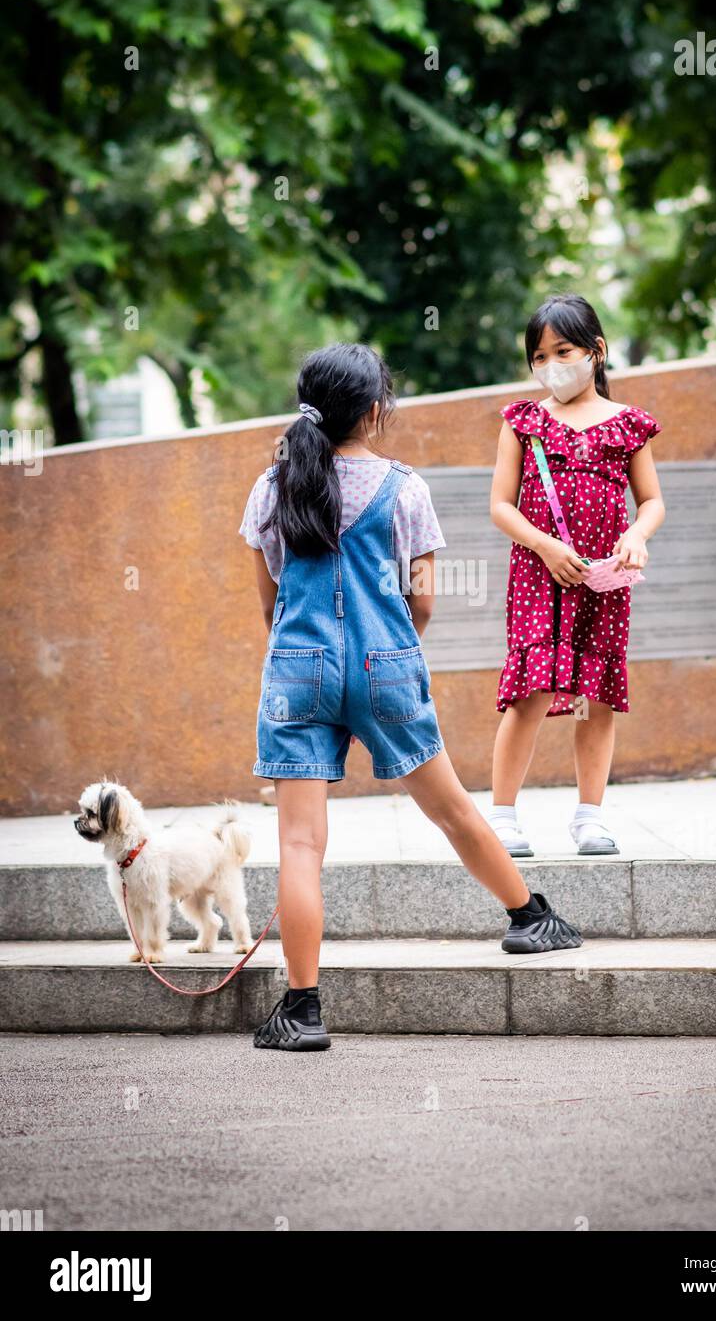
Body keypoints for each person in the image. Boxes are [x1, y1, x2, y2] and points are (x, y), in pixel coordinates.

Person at [239, 342, 583, 1051]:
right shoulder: (405, 488)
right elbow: (420, 603)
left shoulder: (272, 487)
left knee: (300, 843)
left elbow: (269, 601)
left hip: (297, 668)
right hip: (386, 663)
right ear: (373, 412)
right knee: (454, 808)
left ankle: (301, 1010)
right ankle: (529, 919)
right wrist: (390, 643)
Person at [488, 295, 665, 859]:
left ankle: (590, 817)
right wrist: (544, 546)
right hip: (540, 576)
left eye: (563, 351)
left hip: (604, 579)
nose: (551, 365)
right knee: (529, 692)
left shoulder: (628, 426)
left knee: (599, 694)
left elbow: (653, 501)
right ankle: (502, 818)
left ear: (597, 351)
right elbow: (500, 505)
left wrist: (636, 536)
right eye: (539, 356)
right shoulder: (525, 423)